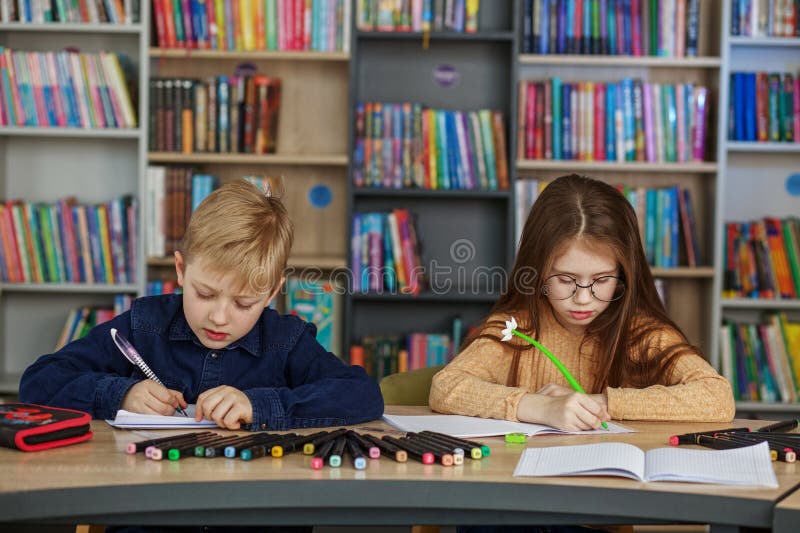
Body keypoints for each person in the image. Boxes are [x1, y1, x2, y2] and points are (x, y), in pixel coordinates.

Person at [20, 179, 384, 433]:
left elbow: (362, 395)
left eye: (244, 303)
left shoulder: (285, 341)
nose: (219, 316)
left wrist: (261, 406)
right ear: (181, 270)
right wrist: (122, 394)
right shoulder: (144, 326)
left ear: (272, 292)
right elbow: (38, 382)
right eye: (205, 294)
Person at [430, 174, 734, 433]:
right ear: (538, 273)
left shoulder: (642, 333)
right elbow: (446, 387)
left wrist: (602, 403)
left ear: (624, 274)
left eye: (602, 280)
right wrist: (539, 407)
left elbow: (718, 397)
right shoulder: (516, 328)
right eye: (565, 279)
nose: (583, 299)